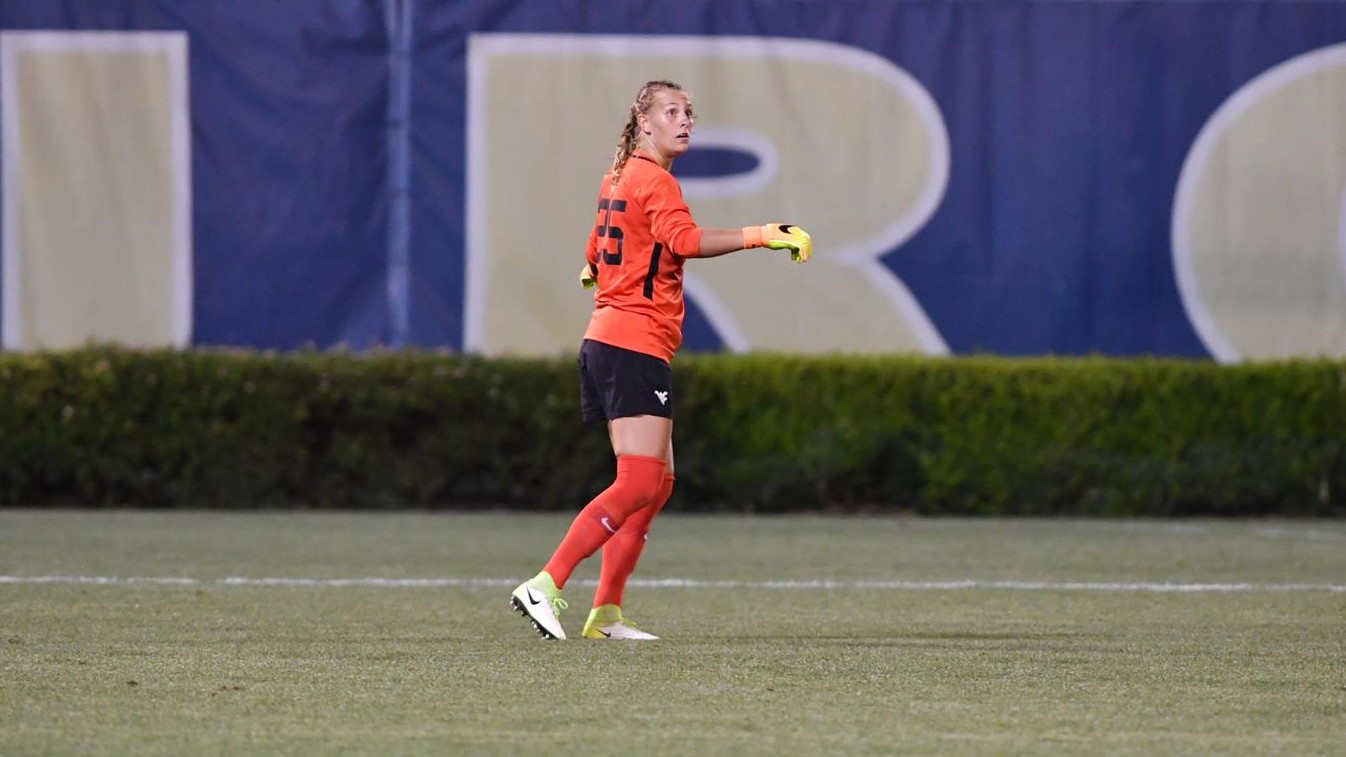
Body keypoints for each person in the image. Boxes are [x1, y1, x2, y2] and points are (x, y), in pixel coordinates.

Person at [510, 79, 813, 641]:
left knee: (658, 481)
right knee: (640, 478)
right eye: (671, 111)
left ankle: (606, 614)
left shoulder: (619, 176)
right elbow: (685, 240)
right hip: (631, 342)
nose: (685, 120)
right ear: (643, 122)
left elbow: (597, 249)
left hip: (615, 340)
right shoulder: (655, 181)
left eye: (690, 112)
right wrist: (762, 234)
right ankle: (546, 584)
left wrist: (597, 270)